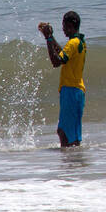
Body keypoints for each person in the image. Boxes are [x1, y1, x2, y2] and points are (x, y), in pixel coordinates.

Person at [39, 10, 85, 147]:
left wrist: (47, 39)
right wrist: (51, 37)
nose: (63, 29)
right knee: (73, 135)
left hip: (71, 91)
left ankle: (68, 165)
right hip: (77, 91)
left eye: (64, 26)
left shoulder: (73, 43)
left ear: (70, 26)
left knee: (63, 132)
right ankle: (74, 163)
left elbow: (56, 62)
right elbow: (63, 55)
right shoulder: (79, 42)